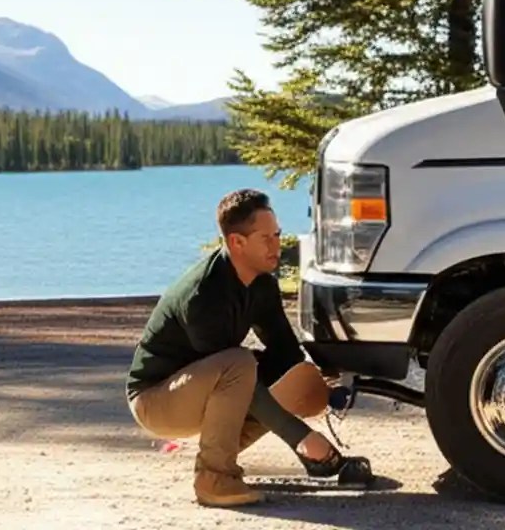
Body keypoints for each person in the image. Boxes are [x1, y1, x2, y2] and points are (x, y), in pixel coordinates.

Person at [125, 188, 353, 507]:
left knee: (286, 375)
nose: (277, 245)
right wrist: (303, 439)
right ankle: (214, 479)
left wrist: (328, 378)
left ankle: (217, 458)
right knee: (240, 364)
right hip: (156, 399)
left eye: (277, 234)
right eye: (266, 238)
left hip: (204, 386)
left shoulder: (261, 285)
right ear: (237, 242)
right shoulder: (203, 295)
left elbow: (286, 354)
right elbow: (238, 378)